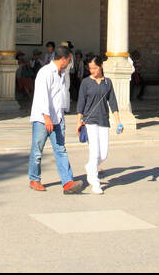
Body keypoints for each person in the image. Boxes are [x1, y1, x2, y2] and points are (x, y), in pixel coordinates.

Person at [28, 44, 82, 193]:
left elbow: (60, 96)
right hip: (42, 119)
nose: (70, 63)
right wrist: (46, 117)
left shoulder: (62, 73)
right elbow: (42, 95)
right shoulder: (45, 72)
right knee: (37, 150)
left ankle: (67, 182)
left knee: (60, 150)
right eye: (69, 60)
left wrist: (62, 113)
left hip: (58, 117)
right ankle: (34, 178)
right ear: (63, 59)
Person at [76, 54, 124, 194]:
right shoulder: (85, 83)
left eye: (95, 68)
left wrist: (118, 121)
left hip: (104, 120)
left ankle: (90, 166)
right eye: (90, 68)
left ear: (101, 67)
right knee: (95, 152)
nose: (92, 71)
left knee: (104, 154)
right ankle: (94, 182)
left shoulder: (108, 83)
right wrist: (78, 121)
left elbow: (113, 102)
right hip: (90, 121)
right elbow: (81, 103)